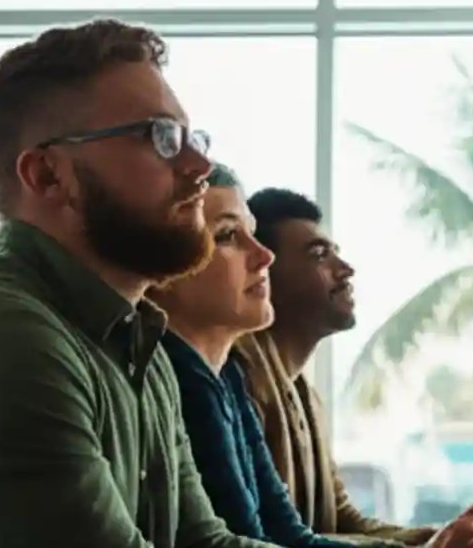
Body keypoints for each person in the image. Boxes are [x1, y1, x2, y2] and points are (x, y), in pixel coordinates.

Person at [0, 20, 275, 548]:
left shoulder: (138, 347)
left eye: (191, 138)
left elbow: (204, 542)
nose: (200, 167)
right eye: (160, 137)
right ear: (47, 175)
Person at [239, 189, 473, 546]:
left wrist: (447, 536)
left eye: (336, 253)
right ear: (263, 272)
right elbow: (278, 537)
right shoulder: (242, 379)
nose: (345, 269)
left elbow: (343, 520)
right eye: (318, 255)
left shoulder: (306, 396)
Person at [149, 163, 362, 548]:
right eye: (229, 235)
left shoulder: (224, 378)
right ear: (164, 270)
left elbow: (288, 534)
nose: (263, 256)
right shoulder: (178, 381)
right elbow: (239, 540)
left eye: (252, 232)